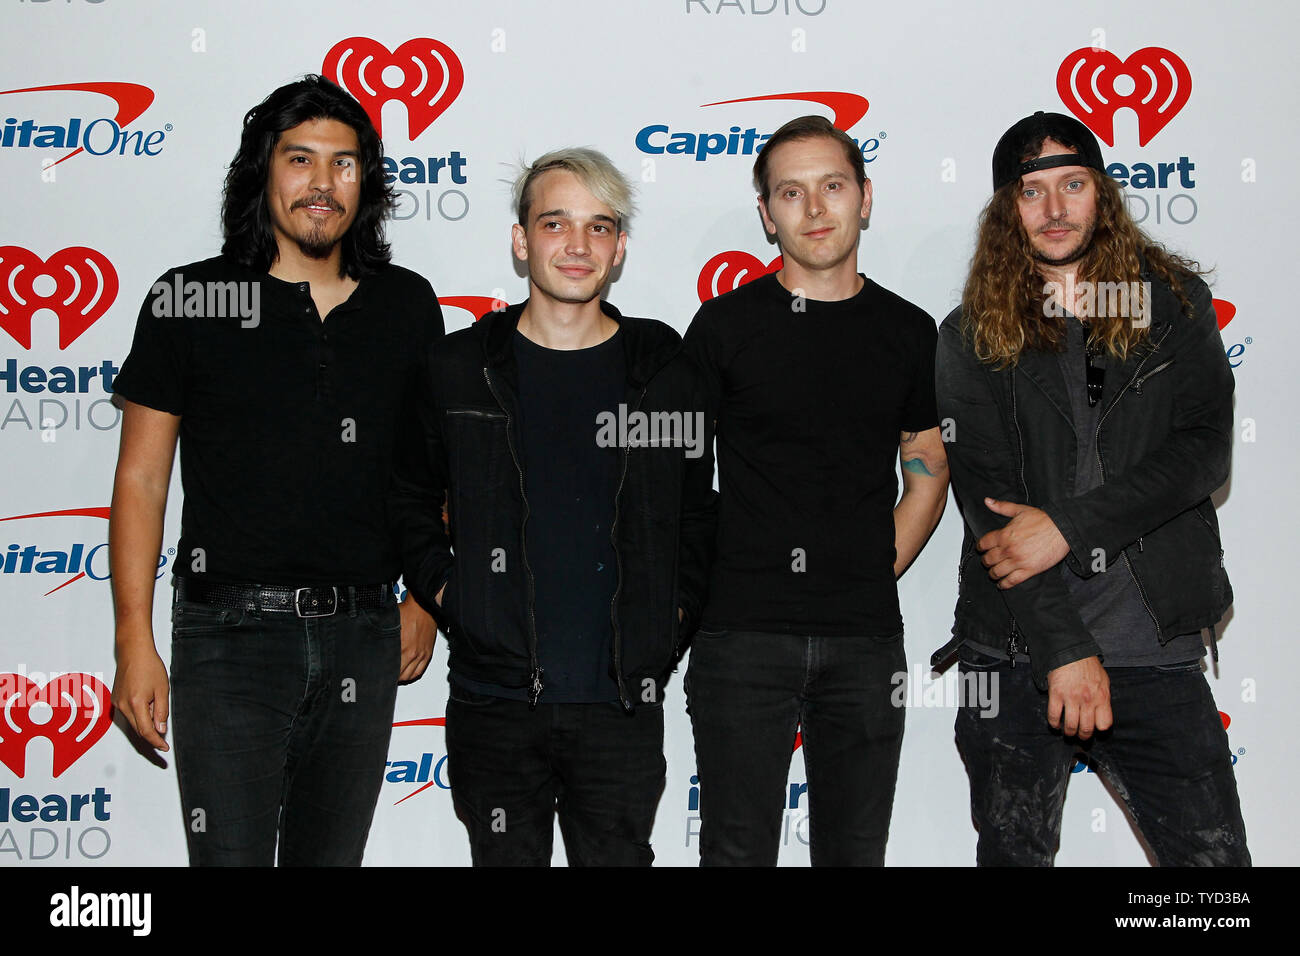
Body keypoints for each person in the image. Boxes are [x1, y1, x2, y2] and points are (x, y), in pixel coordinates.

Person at [108, 75, 442, 866]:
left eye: (344, 163)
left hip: (365, 634)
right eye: (300, 160)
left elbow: (435, 471)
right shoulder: (190, 298)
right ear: (264, 172)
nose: (322, 185)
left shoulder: (407, 305)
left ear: (368, 180)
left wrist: (427, 601)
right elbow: (141, 481)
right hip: (228, 639)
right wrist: (132, 639)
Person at [933, 110, 1249, 866]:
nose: (1054, 209)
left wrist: (1070, 525)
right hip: (1016, 652)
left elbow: (1204, 455)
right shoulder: (972, 332)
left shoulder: (1170, 303)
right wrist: (1067, 653)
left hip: (1154, 647)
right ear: (1007, 209)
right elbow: (995, 513)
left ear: (1102, 194)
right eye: (1031, 191)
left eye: (1072, 184)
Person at [391, 148, 716, 866]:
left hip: (622, 705)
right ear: (520, 240)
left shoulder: (664, 370)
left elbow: (697, 515)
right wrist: (452, 594)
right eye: (555, 223)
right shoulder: (458, 369)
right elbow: (411, 498)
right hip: (496, 700)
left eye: (599, 227)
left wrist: (673, 621)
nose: (577, 246)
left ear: (620, 247)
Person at [682, 115, 949, 866]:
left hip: (865, 641)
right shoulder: (723, 326)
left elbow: (926, 463)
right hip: (740, 637)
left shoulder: (907, 330)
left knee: (855, 853)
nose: (815, 208)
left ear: (865, 197)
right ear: (767, 215)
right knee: (736, 852)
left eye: (832, 186)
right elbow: (674, 474)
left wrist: (872, 567)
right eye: (790, 193)